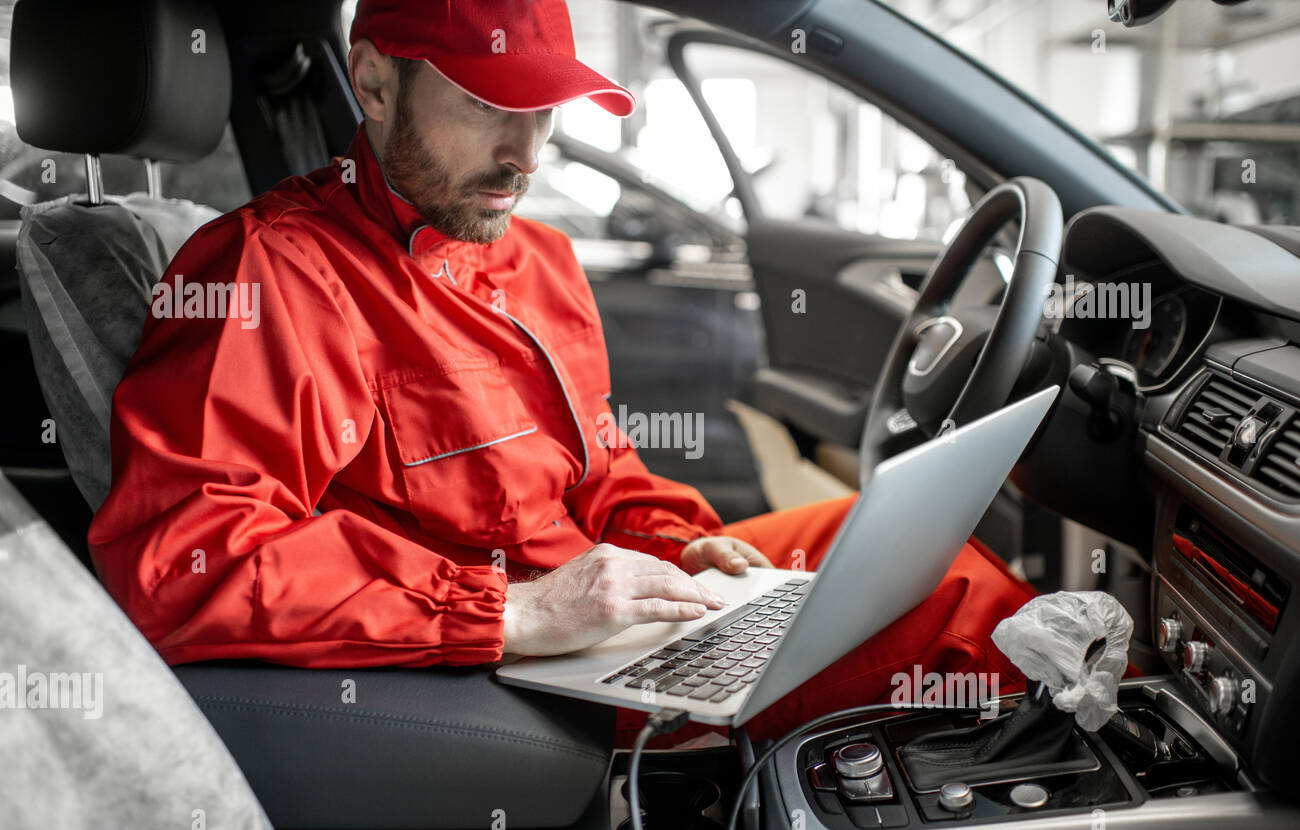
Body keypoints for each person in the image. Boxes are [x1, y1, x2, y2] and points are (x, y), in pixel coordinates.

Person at [87, 0, 1035, 749]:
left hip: (607, 618)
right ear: (374, 83)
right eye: (488, 104)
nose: (526, 152)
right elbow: (184, 560)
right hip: (507, 673)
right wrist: (514, 610)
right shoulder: (271, 275)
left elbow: (601, 470)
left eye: (542, 109)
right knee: (963, 610)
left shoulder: (535, 257)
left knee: (911, 546)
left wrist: (676, 543)